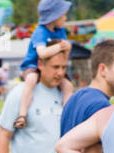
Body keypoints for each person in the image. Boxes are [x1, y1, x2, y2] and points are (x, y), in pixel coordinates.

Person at [14, 0, 75, 130]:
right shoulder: (40, 31)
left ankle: (68, 116)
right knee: (31, 79)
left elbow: (65, 53)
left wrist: (67, 47)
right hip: (33, 66)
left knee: (68, 86)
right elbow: (42, 53)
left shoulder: (60, 30)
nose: (66, 18)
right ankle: (22, 114)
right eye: (63, 15)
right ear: (55, 16)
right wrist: (60, 46)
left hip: (52, 67)